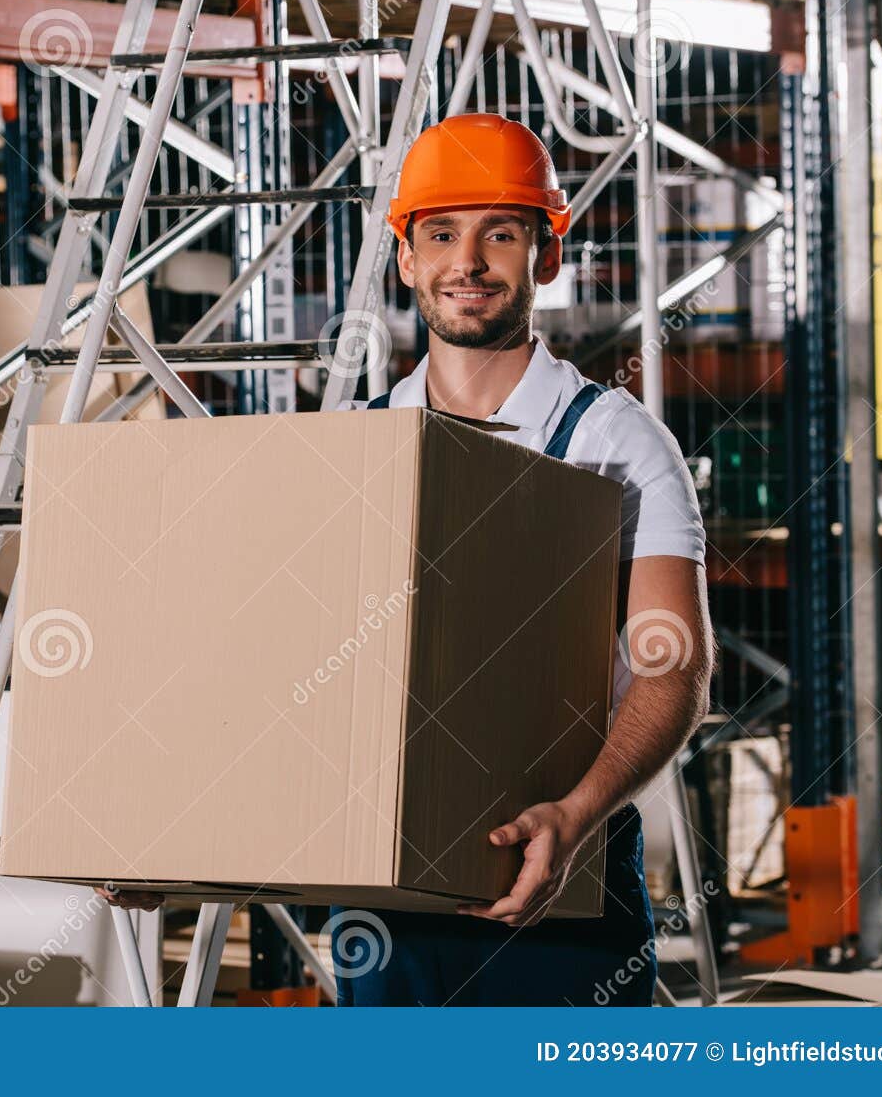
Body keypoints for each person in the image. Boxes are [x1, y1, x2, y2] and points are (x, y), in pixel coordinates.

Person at [102, 113, 713, 1007]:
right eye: (439, 234)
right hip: (379, 904)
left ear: (545, 257)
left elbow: (674, 670)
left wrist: (577, 817)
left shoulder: (615, 444)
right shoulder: (354, 448)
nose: (466, 261)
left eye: (499, 233)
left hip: (557, 882)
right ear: (406, 259)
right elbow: (277, 676)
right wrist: (181, 843)